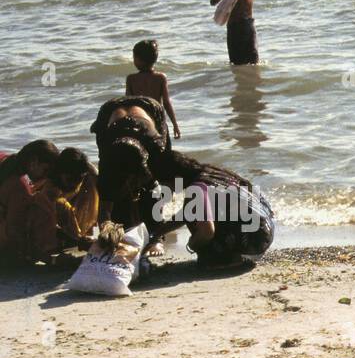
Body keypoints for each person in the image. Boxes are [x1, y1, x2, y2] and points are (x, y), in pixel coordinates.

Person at [96, 124, 275, 269]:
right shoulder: (212, 173)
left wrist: (193, 245)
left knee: (201, 233)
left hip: (254, 240)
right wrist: (155, 234)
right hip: (264, 228)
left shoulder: (197, 188)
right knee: (197, 212)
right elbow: (187, 213)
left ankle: (225, 260)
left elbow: (207, 231)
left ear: (174, 178)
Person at [22, 149, 98, 262]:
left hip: (66, 203)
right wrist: (78, 241)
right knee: (61, 206)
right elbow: (49, 223)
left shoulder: (84, 175)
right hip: (39, 220)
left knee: (92, 185)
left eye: (78, 179)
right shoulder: (48, 188)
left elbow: (95, 176)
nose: (74, 183)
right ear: (60, 173)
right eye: (70, 179)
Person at [0, 141, 59, 264]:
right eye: (46, 170)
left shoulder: (7, 161)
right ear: (33, 161)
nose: (46, 176)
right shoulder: (20, 186)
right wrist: (47, 259)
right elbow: (14, 231)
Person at [126, 40, 181, 139]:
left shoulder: (131, 79)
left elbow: (128, 103)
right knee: (164, 149)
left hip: (138, 121)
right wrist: (175, 124)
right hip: (157, 120)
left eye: (134, 57)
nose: (133, 60)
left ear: (139, 60)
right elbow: (166, 103)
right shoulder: (160, 78)